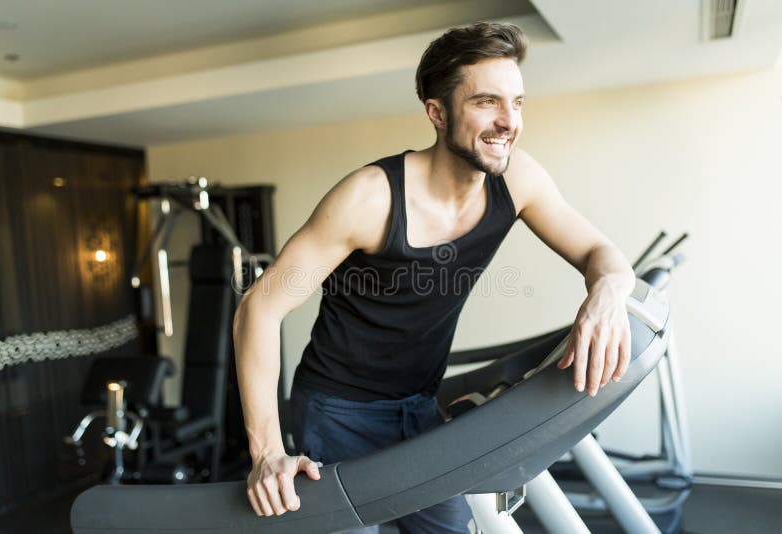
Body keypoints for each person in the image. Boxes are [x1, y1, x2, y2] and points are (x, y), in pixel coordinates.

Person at [233, 21, 635, 532]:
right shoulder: (369, 198)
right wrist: (266, 453)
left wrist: (605, 294)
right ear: (437, 113)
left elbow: (603, 252)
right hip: (337, 410)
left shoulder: (518, 179)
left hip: (418, 407)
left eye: (518, 103)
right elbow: (259, 307)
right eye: (487, 102)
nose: (508, 121)